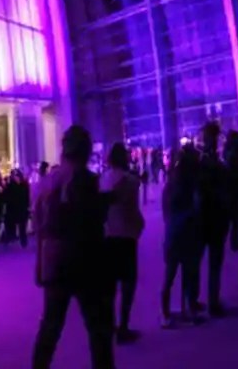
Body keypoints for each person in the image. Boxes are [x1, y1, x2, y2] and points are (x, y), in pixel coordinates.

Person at [31, 125, 113, 369]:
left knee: (51, 325)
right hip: (85, 260)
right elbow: (94, 223)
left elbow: (39, 228)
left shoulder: (47, 183)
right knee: (98, 326)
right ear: (86, 151)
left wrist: (40, 264)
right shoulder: (87, 180)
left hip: (54, 261)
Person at [101, 142, 143, 344]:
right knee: (128, 283)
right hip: (126, 235)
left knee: (109, 285)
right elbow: (133, 211)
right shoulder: (130, 181)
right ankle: (123, 325)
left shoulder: (102, 180)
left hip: (108, 237)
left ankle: (110, 325)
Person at [160, 145, 203, 329]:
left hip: (173, 232)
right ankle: (189, 310)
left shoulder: (171, 183)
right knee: (188, 273)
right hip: (188, 231)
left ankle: (166, 314)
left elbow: (165, 210)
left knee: (169, 275)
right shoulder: (191, 183)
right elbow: (197, 206)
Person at [197, 122, 232, 317]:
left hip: (204, 218)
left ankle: (196, 301)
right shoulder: (215, 164)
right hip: (214, 218)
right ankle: (212, 302)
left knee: (199, 261)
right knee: (214, 262)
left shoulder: (200, 162)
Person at [3, 169, 31, 248]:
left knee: (21, 226)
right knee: (13, 225)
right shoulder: (11, 186)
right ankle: (13, 239)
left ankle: (22, 241)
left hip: (20, 208)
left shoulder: (23, 185)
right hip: (14, 209)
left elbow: (27, 197)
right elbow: (6, 197)